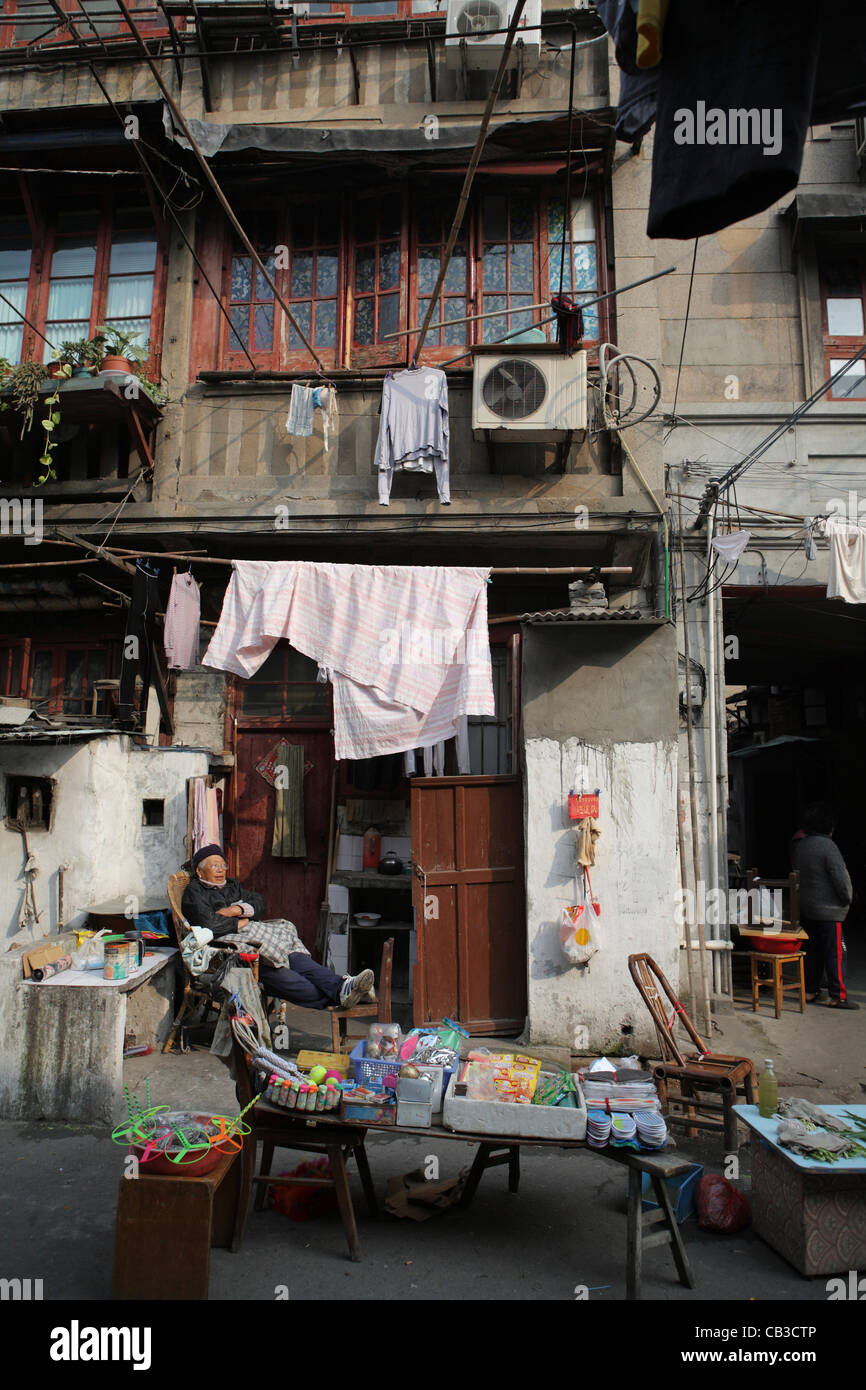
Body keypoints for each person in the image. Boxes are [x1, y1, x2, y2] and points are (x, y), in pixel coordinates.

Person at [181, 844, 374, 1010]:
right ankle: (345, 994)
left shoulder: (231, 886)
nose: (220, 870)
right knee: (291, 982)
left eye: (223, 865)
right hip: (236, 951)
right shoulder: (195, 892)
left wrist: (236, 909)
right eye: (214, 866)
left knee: (298, 960)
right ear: (199, 872)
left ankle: (342, 988)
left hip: (260, 943)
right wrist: (238, 921)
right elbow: (208, 923)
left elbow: (258, 902)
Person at [791, 804, 858, 1010]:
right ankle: (838, 996)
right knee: (836, 952)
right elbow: (840, 877)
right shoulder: (828, 846)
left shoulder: (801, 846)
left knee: (813, 951)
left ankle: (810, 990)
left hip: (807, 907)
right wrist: (848, 898)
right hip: (829, 910)